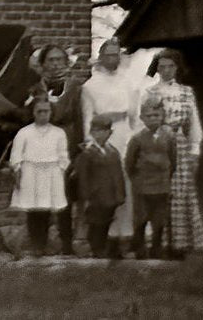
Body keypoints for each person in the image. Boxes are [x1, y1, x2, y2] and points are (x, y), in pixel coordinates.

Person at [78, 39, 140, 252]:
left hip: (124, 134)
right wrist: (91, 143)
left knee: (126, 184)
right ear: (101, 57)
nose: (113, 59)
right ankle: (108, 236)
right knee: (105, 187)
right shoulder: (90, 86)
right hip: (102, 136)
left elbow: (135, 115)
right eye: (109, 55)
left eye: (116, 55)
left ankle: (128, 234)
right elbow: (88, 117)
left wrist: (135, 138)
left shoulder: (128, 82)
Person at [147, 48, 203, 257]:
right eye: (162, 67)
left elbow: (194, 123)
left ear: (177, 68)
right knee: (161, 192)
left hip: (180, 143)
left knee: (181, 194)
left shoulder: (186, 92)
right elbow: (144, 121)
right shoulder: (151, 92)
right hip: (159, 143)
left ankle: (180, 245)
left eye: (170, 66)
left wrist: (194, 149)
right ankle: (160, 243)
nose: (166, 70)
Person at [32, 45, 88, 255]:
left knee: (64, 194)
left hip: (66, 142)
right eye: (51, 61)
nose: (55, 65)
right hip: (41, 142)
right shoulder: (36, 89)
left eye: (59, 60)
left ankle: (66, 243)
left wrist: (80, 148)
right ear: (43, 64)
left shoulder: (74, 88)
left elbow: (80, 117)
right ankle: (38, 242)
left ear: (65, 63)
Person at [8, 95, 71, 257]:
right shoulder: (24, 133)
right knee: (33, 210)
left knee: (46, 210)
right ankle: (36, 244)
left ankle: (42, 243)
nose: (43, 115)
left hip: (50, 173)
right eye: (40, 111)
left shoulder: (58, 133)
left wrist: (60, 170)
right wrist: (18, 171)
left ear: (51, 112)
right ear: (34, 113)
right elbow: (16, 155)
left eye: (47, 111)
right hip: (31, 172)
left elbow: (63, 156)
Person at [68, 113, 126, 258]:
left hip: (111, 195)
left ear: (110, 133)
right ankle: (96, 248)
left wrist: (120, 194)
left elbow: (119, 175)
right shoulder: (87, 153)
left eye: (104, 131)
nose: (100, 135)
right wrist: (86, 196)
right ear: (91, 132)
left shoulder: (113, 152)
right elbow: (83, 177)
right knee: (96, 223)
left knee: (106, 221)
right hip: (96, 195)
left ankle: (103, 247)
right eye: (96, 131)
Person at [124, 96, 176, 259]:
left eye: (156, 115)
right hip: (143, 185)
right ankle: (140, 248)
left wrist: (166, 176)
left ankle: (157, 247)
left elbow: (173, 160)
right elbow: (129, 163)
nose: (153, 119)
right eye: (149, 116)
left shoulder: (169, 137)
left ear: (162, 116)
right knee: (141, 217)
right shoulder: (137, 139)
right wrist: (137, 179)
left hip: (161, 185)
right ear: (142, 118)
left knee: (159, 218)